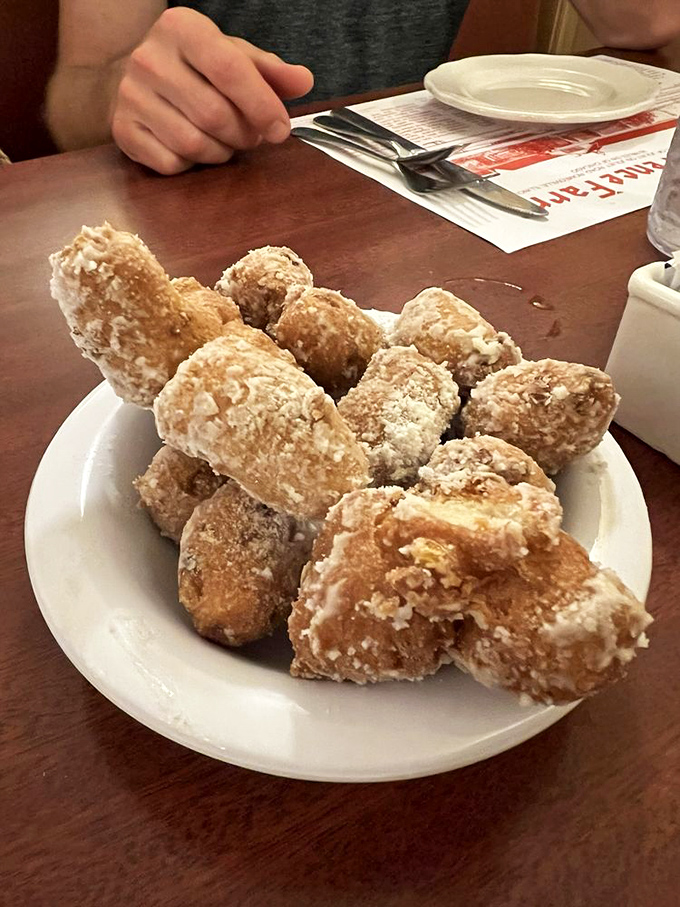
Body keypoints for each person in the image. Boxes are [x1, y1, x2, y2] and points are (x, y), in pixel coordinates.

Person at [47, 0, 680, 175]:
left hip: (419, 191)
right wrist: (128, 96)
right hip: (219, 190)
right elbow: (71, 100)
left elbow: (645, 20)